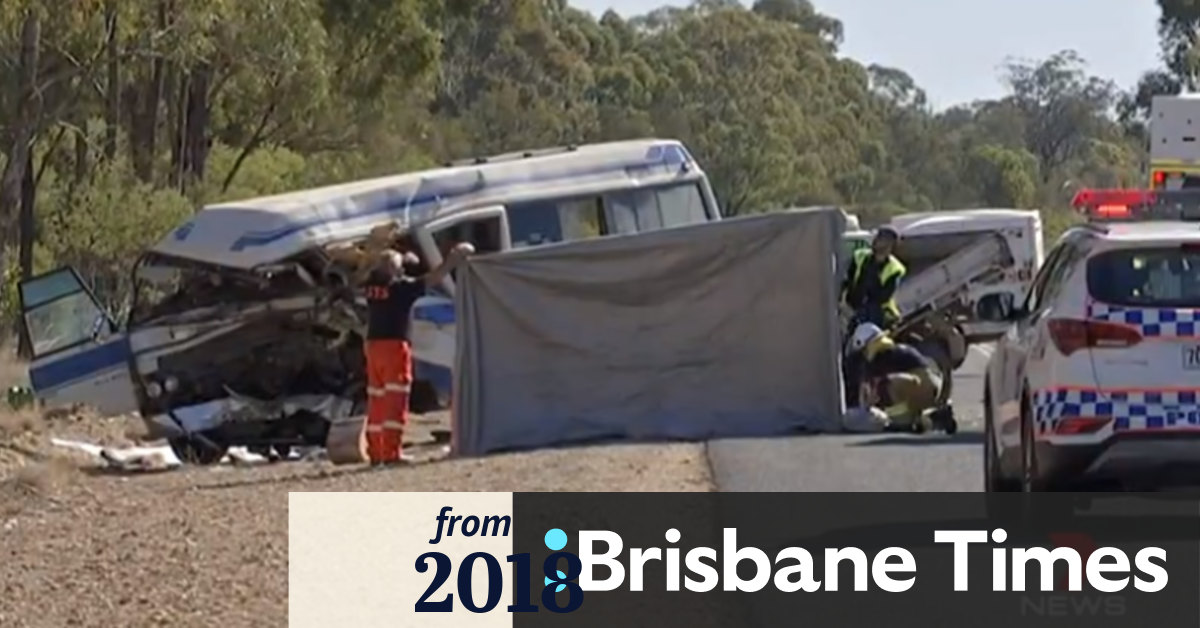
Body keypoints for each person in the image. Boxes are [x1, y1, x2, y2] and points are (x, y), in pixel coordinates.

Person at [362, 242, 474, 465]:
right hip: (394, 347)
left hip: (373, 347)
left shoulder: (371, 288)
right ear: (395, 270)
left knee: (377, 399)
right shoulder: (402, 289)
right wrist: (453, 258)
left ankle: (376, 452)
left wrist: (399, 258)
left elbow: (386, 270)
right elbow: (432, 278)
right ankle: (392, 453)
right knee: (395, 397)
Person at [845, 322, 955, 433]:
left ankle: (901, 421)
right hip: (930, 386)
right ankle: (934, 419)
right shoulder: (893, 352)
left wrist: (865, 409)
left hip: (923, 385)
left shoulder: (883, 357)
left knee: (885, 385)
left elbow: (870, 392)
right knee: (914, 424)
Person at [841, 226, 907, 407]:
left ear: (891, 245)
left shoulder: (895, 269)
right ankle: (851, 399)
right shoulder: (860, 256)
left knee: (872, 360)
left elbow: (882, 297)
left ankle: (874, 399)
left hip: (878, 316)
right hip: (855, 311)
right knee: (850, 356)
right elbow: (847, 282)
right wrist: (845, 303)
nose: (878, 242)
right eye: (878, 238)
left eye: (884, 240)